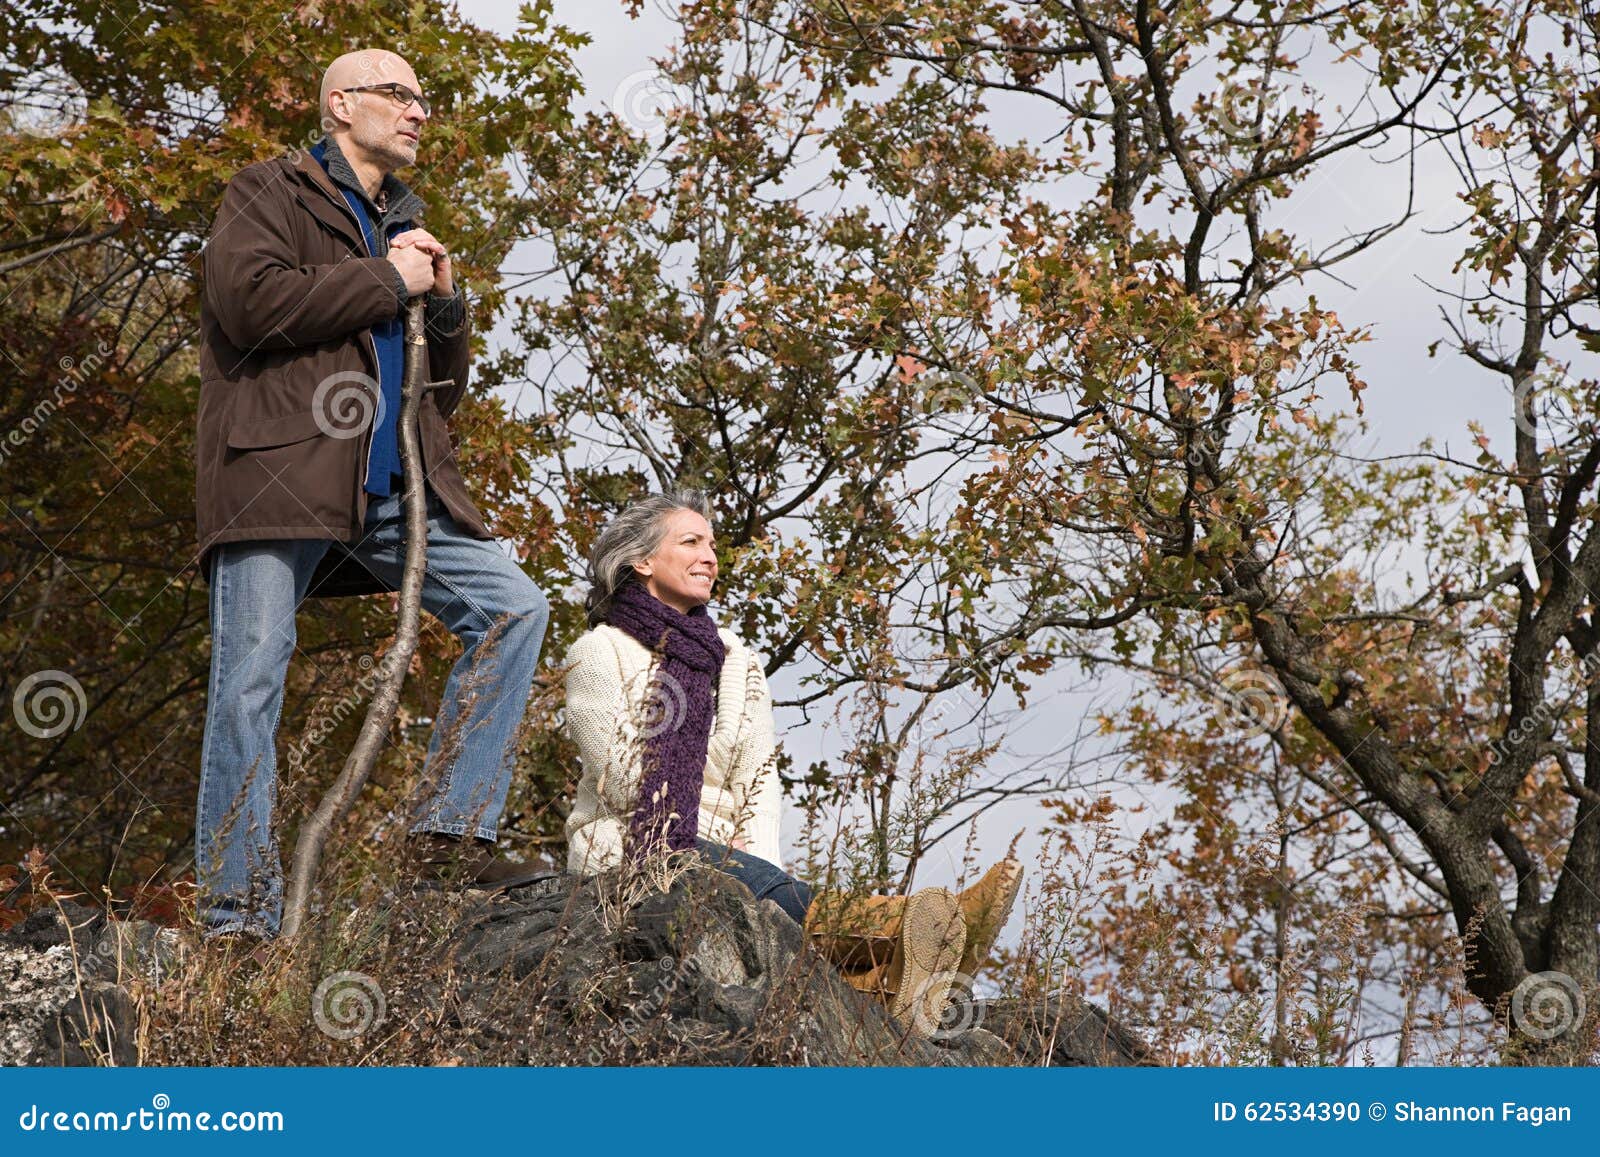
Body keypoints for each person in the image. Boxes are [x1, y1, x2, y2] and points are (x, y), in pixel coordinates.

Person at [192, 49, 550, 941]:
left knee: (514, 609)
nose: (419, 110)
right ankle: (237, 917)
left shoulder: (407, 221)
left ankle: (448, 837)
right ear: (341, 103)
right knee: (249, 682)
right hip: (279, 474)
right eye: (399, 94)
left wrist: (446, 306)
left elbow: (438, 393)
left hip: (391, 486)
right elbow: (249, 303)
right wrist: (389, 279)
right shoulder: (269, 190)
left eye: (425, 98)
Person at [562, 490, 1022, 1036]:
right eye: (691, 542)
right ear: (641, 560)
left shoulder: (737, 662)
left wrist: (757, 865)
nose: (710, 557)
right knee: (737, 881)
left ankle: (892, 985)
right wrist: (726, 859)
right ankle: (915, 924)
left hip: (731, 859)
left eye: (712, 545)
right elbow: (619, 777)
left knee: (757, 893)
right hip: (634, 845)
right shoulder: (599, 651)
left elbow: (759, 781)